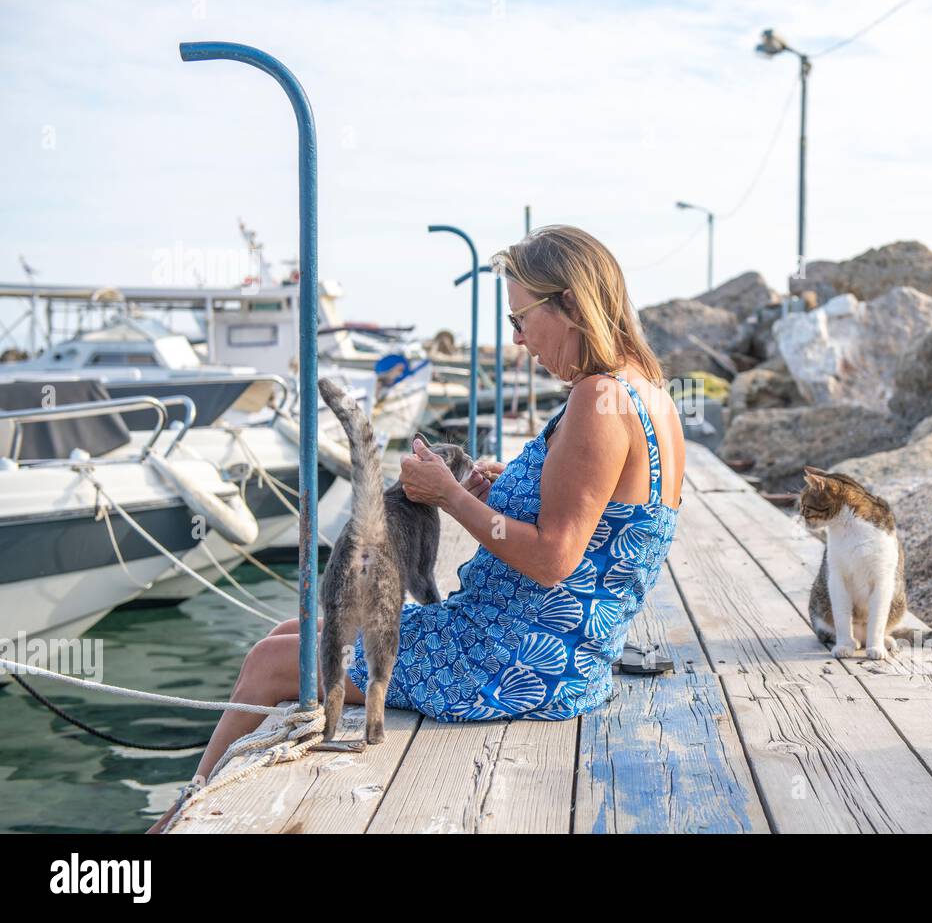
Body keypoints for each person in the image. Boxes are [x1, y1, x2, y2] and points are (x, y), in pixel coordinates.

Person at [147, 224, 683, 832]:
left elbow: (556, 558)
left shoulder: (596, 398)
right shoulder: (647, 394)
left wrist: (449, 496)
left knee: (277, 661)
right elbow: (597, 519)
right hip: (549, 652)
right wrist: (505, 489)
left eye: (521, 317)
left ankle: (177, 815)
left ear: (569, 302)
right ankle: (186, 800)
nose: (517, 339)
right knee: (288, 630)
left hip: (514, 663)